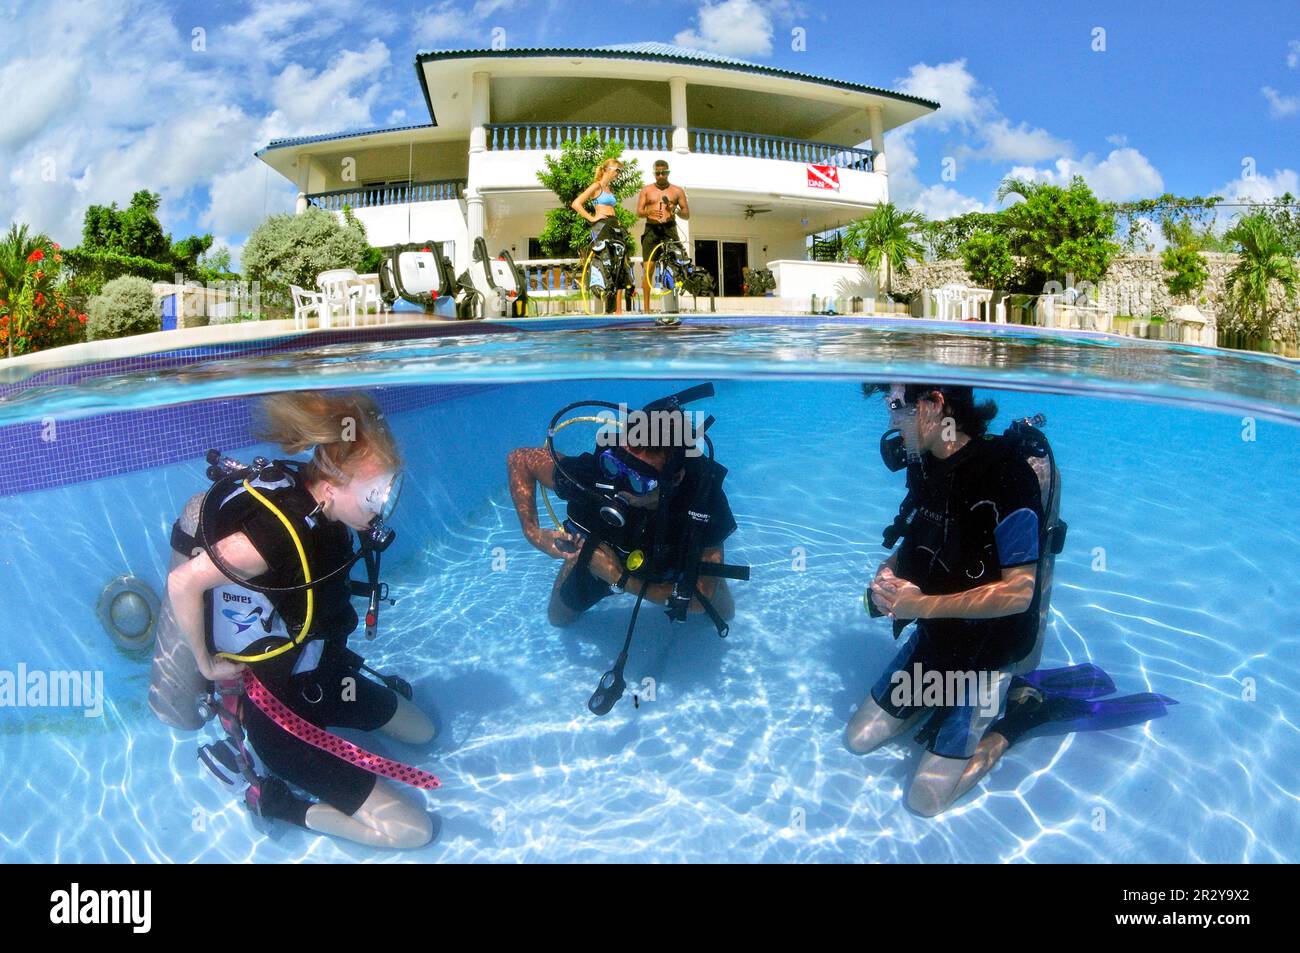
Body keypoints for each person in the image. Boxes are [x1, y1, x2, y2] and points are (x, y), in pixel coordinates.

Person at [846, 383, 1174, 816]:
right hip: (938, 639)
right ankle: (937, 696)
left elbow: (1019, 593)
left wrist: (918, 606)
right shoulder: (923, 465)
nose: (890, 419)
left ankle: (1020, 715)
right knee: (859, 738)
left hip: (990, 653)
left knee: (926, 799)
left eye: (896, 406)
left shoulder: (1007, 477)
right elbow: (923, 537)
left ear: (934, 404)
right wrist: (888, 572)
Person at [163, 392, 438, 848]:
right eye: (374, 495)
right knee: (413, 832)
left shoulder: (331, 516)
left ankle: (325, 735)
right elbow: (183, 583)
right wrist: (207, 666)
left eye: (389, 491)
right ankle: (270, 801)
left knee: (424, 731)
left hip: (321, 677)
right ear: (331, 488)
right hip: (276, 713)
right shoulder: (275, 535)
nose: (382, 508)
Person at [505, 385, 747, 713]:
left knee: (718, 610)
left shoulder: (700, 501)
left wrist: (620, 579)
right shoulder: (593, 474)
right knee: (559, 619)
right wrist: (534, 534)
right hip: (601, 555)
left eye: (638, 481)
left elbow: (698, 598)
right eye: (615, 466)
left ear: (673, 480)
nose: (620, 487)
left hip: (669, 563)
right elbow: (520, 459)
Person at [571, 158, 634, 313]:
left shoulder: (609, 189)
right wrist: (592, 218)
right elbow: (576, 203)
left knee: (617, 265)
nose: (618, 174)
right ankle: (604, 308)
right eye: (617, 170)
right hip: (601, 226)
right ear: (607, 169)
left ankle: (614, 310)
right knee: (604, 264)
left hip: (614, 226)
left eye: (620, 171)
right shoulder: (596, 186)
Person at [636, 159, 691, 312]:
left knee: (677, 266)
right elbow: (639, 212)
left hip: (669, 229)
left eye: (663, 173)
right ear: (654, 173)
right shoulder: (646, 190)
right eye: (657, 173)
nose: (660, 176)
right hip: (652, 229)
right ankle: (646, 310)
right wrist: (649, 212)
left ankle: (673, 307)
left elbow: (687, 214)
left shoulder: (677, 190)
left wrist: (675, 209)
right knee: (649, 269)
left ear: (668, 173)